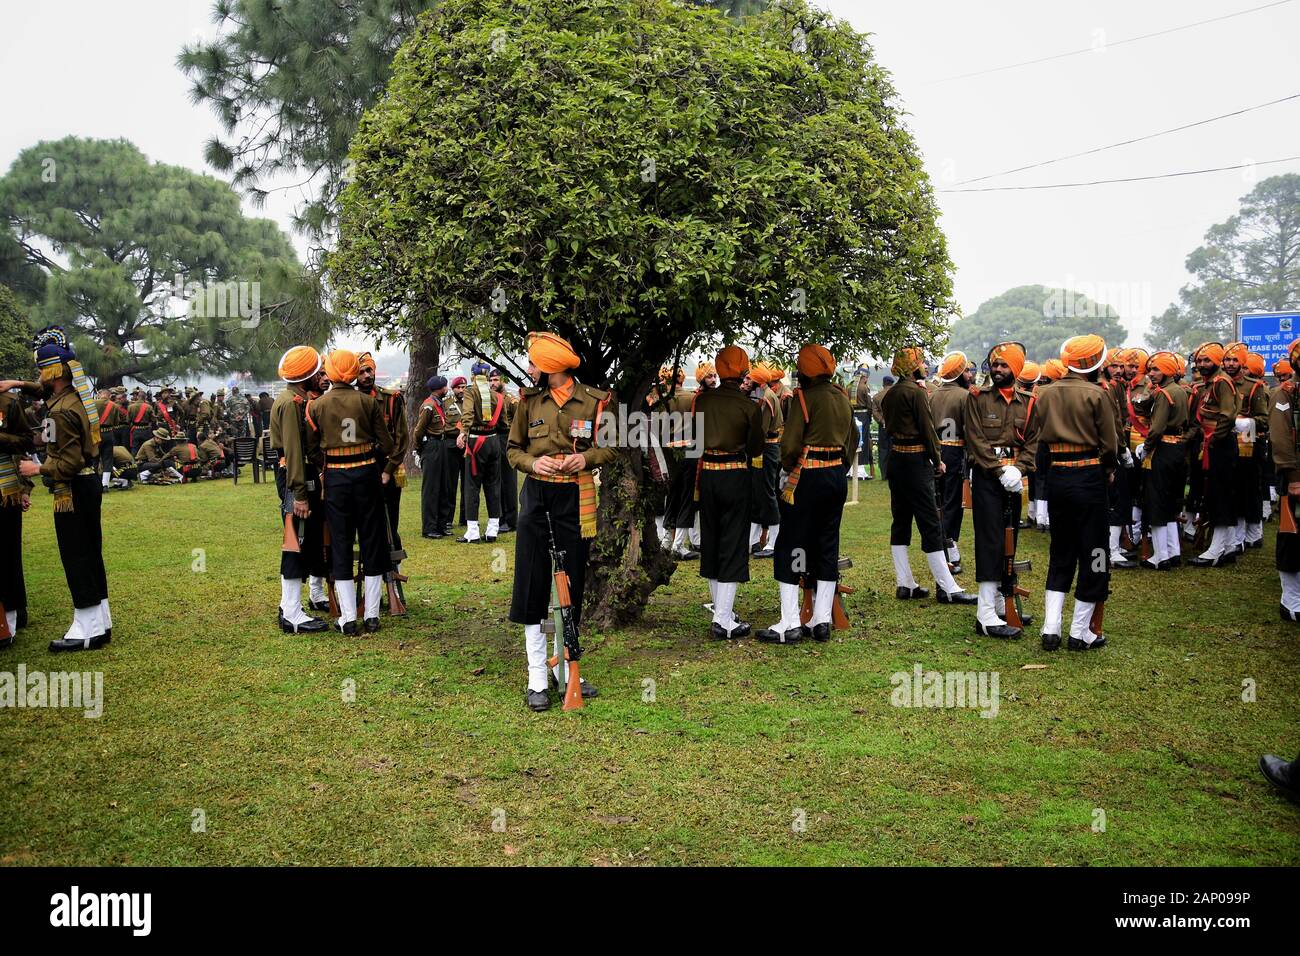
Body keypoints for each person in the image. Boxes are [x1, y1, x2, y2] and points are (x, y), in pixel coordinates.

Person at [506, 331, 611, 712]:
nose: (530, 368)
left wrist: (587, 459)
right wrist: (534, 463)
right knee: (532, 581)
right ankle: (537, 674)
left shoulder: (597, 402)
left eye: (534, 363)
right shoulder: (528, 402)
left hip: (575, 498)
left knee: (572, 583)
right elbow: (513, 450)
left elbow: (611, 446)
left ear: (551, 369)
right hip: (536, 496)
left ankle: (566, 669)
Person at [758, 344, 856, 644]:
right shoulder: (842, 397)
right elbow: (853, 439)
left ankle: (790, 622)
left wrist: (788, 469)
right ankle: (821, 620)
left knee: (791, 544)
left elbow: (789, 446)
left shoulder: (802, 397)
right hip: (836, 476)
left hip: (806, 477)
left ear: (805, 371)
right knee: (827, 543)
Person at [21, 327, 111, 651]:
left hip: (71, 490)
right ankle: (100, 622)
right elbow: (40, 392)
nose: (39, 378)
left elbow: (67, 462)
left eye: (42, 371)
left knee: (76, 556)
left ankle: (85, 628)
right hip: (88, 484)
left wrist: (37, 468)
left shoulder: (59, 410)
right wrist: (17, 384)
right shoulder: (75, 398)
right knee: (91, 553)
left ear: (53, 372)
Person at [1029, 335, 1118, 650]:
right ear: (1094, 363)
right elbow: (1110, 445)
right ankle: (1080, 632)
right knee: (1095, 552)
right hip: (1089, 476)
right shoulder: (1098, 394)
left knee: (1061, 551)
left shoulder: (1045, 393)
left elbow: (1036, 434)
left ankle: (1050, 627)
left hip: (1057, 477)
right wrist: (1109, 469)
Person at [306, 350, 395, 635]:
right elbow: (388, 444)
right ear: (354, 371)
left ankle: (347, 617)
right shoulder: (368, 402)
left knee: (341, 543)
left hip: (336, 479)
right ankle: (371, 615)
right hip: (367, 474)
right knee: (372, 540)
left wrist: (328, 461)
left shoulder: (316, 406)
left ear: (330, 372)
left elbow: (310, 448)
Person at [880, 348, 975, 605]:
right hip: (916, 461)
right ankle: (948, 587)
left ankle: (905, 583)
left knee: (900, 521)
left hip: (897, 460)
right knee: (931, 523)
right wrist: (937, 459)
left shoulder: (890, 395)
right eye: (920, 362)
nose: (924, 366)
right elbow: (928, 429)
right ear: (914, 367)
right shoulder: (916, 392)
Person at [964, 342, 1038, 638]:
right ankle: (985, 615)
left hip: (1014, 478)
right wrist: (998, 470)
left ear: (1016, 369)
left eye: (1003, 365)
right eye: (994, 365)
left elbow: (1033, 442)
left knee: (1010, 539)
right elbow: (975, 438)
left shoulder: (1031, 401)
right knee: (989, 540)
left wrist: (1018, 469)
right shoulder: (977, 398)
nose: (997, 370)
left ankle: (1000, 603)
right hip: (987, 477)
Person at [695, 345, 765, 638]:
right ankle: (723, 619)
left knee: (711, 541)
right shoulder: (749, 407)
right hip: (735, 477)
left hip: (708, 477)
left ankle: (722, 611)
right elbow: (756, 448)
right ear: (745, 373)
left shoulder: (701, 403)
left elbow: (695, 442)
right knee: (734, 544)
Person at [269, 346, 330, 634]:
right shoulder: (292, 403)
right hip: (297, 476)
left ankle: (290, 606)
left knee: (301, 539)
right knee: (296, 541)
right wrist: (300, 495)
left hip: (298, 474)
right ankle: (292, 613)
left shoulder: (292, 398)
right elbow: (294, 452)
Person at [1188, 342, 1241, 567]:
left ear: (1217, 361)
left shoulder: (1221, 383)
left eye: (1207, 360)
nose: (1202, 364)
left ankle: (1216, 550)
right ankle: (1228, 547)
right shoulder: (1209, 384)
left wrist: (1212, 440)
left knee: (1219, 495)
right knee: (1218, 493)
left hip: (1220, 444)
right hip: (1213, 443)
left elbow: (1227, 416)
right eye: (1200, 360)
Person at [1136, 351, 1189, 570]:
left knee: (1157, 502)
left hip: (1163, 449)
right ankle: (1173, 551)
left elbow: (1156, 428)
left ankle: (1160, 556)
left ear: (1167, 370)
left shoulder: (1164, 394)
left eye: (1156, 369)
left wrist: (1146, 447)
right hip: (1178, 448)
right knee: (1169, 503)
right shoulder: (1180, 391)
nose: (1151, 373)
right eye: (1150, 369)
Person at [357, 352, 408, 570]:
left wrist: (388, 470)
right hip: (360, 470)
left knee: (390, 522)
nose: (367, 375)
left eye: (369, 370)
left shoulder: (391, 399)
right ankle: (372, 571)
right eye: (361, 372)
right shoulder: (350, 401)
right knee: (367, 524)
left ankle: (393, 570)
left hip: (388, 468)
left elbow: (402, 439)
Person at [1223, 342, 1269, 553]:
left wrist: (1244, 421)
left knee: (1250, 488)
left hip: (1249, 444)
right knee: (1232, 488)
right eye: (1227, 360)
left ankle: (1253, 532)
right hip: (1227, 444)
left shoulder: (1253, 386)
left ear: (1242, 363)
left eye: (1235, 360)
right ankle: (1237, 536)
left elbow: (1263, 419)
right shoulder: (1220, 383)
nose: (1231, 364)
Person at [0, 380, 35, 645]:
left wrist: (25, 488)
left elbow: (26, 442)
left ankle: (8, 622)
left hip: (4, 489)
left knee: (7, 554)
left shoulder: (9, 402)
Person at [457, 362, 506, 543]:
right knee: (493, 485)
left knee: (472, 486)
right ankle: (492, 529)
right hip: (493, 441)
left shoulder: (471, 392)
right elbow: (503, 423)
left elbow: (468, 414)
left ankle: (473, 531)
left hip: (476, 441)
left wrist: (463, 432)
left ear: (473, 377)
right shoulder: (498, 396)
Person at [930, 351, 970, 574]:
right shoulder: (964, 396)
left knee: (939, 502)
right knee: (952, 503)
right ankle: (950, 547)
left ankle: (943, 546)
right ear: (960, 373)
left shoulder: (932, 395)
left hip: (935, 451)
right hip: (954, 452)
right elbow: (970, 429)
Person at [1269, 338, 1300, 621]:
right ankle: (1291, 599)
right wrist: (1292, 475)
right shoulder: (1285, 393)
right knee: (1291, 535)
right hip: (1296, 477)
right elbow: (1280, 438)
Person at [744, 363, 783, 560]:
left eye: (749, 379)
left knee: (767, 493)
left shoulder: (766, 398)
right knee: (756, 494)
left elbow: (760, 430)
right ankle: (752, 540)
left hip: (766, 448)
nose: (745, 382)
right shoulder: (762, 395)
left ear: (757, 382)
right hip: (761, 448)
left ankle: (775, 540)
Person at [412, 375, 457, 539]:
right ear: (440, 388)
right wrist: (419, 450)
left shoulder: (440, 403)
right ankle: (429, 527)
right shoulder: (429, 406)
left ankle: (441, 524)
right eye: (445, 386)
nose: (447, 389)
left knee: (444, 486)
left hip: (442, 445)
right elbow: (418, 431)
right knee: (431, 488)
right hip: (432, 447)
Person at [489, 369, 518, 534]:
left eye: (496, 380)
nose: (493, 383)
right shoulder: (491, 399)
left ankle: (511, 519)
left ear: (503, 381)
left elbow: (519, 422)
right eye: (491, 380)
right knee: (495, 480)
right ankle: (498, 517)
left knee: (508, 481)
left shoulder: (511, 401)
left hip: (507, 438)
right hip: (493, 438)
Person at [852, 365, 877, 480]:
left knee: (852, 440)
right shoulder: (864, 387)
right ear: (865, 377)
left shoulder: (850, 386)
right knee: (862, 441)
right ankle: (860, 469)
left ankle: (851, 469)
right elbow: (869, 403)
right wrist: (870, 414)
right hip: (863, 415)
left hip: (852, 415)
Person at [127, 387, 156, 455]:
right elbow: (153, 419)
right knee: (146, 447)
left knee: (135, 448)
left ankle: (134, 463)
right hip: (146, 430)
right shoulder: (149, 407)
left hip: (135, 430)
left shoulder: (130, 407)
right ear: (145, 397)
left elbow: (128, 420)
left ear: (137, 397)